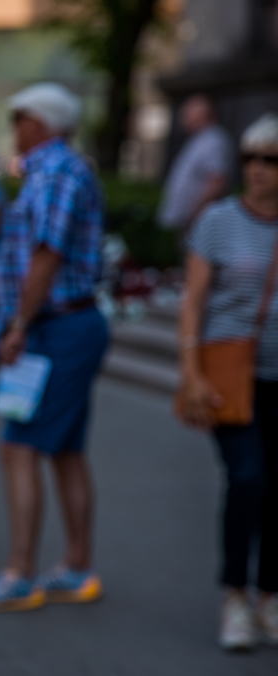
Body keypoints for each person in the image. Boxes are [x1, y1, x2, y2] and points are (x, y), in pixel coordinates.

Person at [0, 82, 109, 612]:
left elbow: (46, 254)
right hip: (65, 324)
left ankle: (21, 575)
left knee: (18, 446)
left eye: (21, 117)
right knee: (66, 451)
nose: (15, 127)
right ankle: (76, 566)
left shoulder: (55, 171)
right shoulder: (59, 170)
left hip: (54, 327)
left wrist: (18, 323)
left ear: (42, 122)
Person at [176, 113, 278, 650]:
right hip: (231, 377)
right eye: (250, 158)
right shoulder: (218, 220)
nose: (258, 169)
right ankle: (235, 596)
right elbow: (192, 304)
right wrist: (190, 372)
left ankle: (269, 597)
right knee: (249, 479)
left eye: (271, 159)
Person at [158, 95, 233, 234]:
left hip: (197, 223)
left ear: (203, 115)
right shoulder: (200, 139)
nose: (182, 117)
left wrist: (197, 213)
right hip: (190, 222)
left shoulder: (213, 140)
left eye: (187, 113)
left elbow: (217, 179)